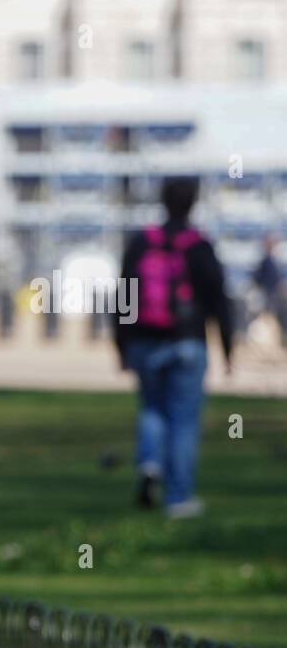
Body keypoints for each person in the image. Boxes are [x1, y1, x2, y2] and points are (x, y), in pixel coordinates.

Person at [116, 176, 233, 518]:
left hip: (144, 341)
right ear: (193, 202)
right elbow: (219, 300)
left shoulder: (141, 242)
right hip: (187, 343)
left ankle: (150, 464)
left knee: (152, 410)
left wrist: (121, 345)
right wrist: (228, 349)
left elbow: (123, 295)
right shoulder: (199, 245)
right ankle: (179, 498)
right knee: (183, 420)